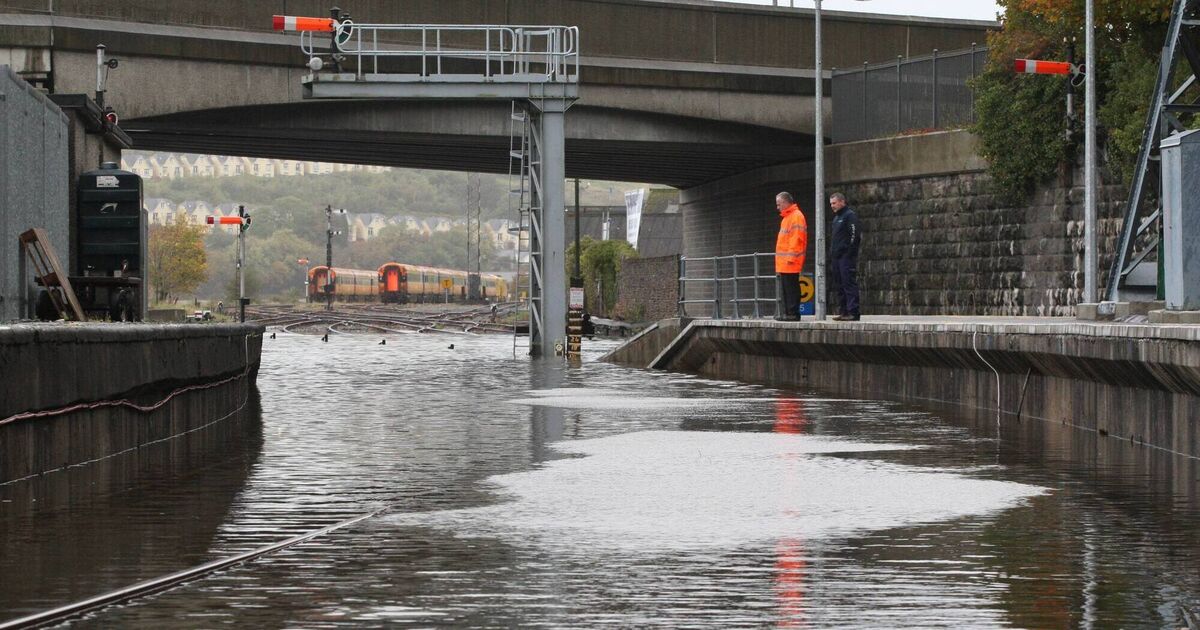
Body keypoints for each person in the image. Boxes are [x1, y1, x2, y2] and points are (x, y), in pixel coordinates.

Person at [774, 192, 808, 321]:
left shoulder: (796, 216)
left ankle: (793, 313)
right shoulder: (788, 217)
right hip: (786, 261)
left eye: (779, 204)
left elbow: (796, 240)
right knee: (787, 288)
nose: (778, 207)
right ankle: (789, 313)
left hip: (790, 260)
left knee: (791, 288)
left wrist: (791, 258)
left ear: (785, 202)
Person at [829, 192, 862, 321]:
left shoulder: (849, 216)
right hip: (836, 257)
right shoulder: (836, 218)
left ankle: (853, 312)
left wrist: (849, 253)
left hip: (846, 257)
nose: (832, 206)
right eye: (831, 204)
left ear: (842, 202)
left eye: (834, 203)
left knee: (848, 283)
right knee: (839, 284)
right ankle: (844, 311)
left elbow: (854, 235)